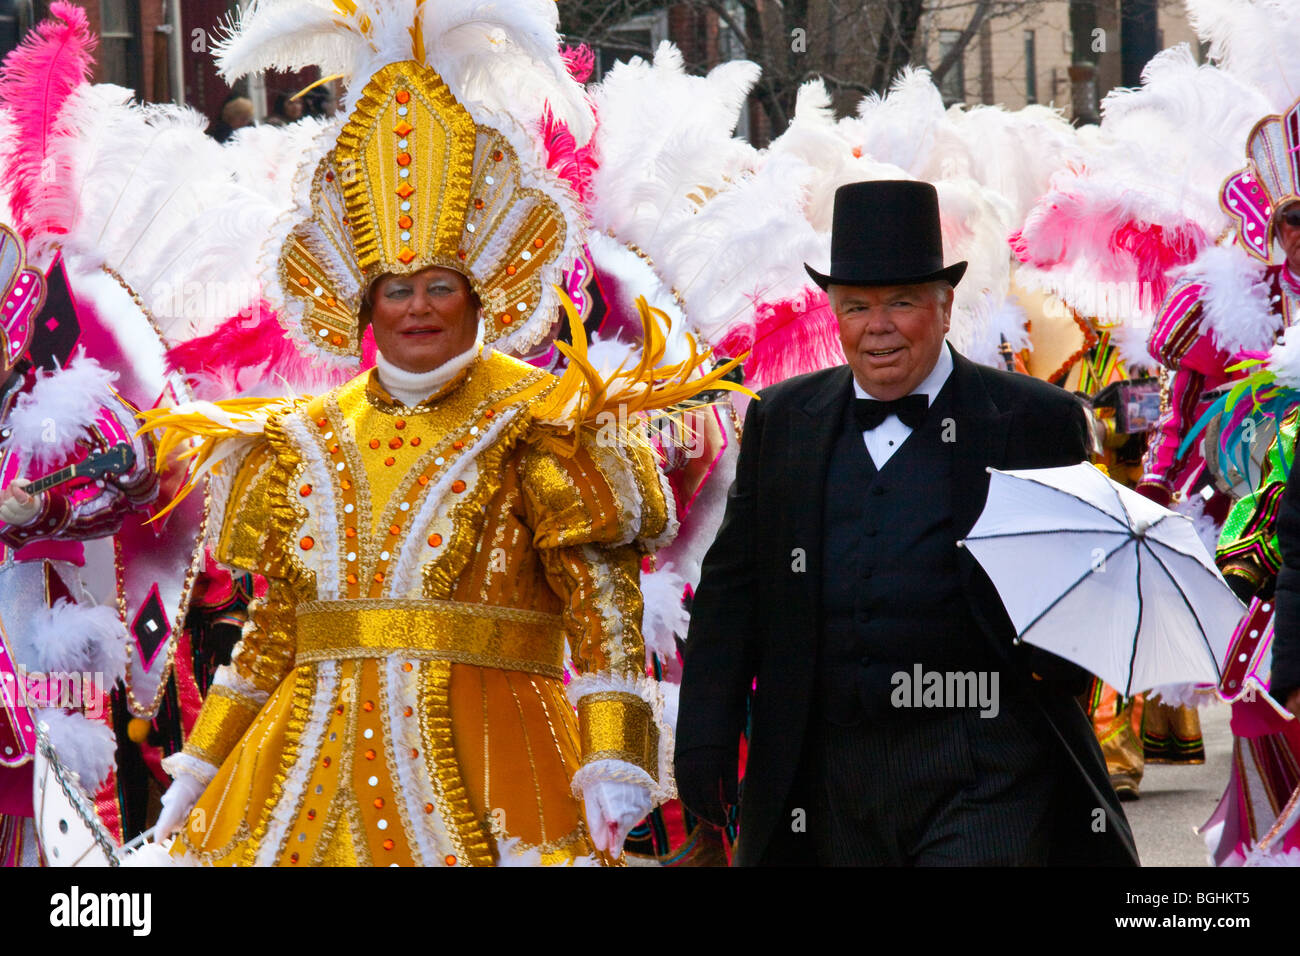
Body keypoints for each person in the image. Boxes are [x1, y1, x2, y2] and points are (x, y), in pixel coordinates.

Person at [142, 26, 743, 863]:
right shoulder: (305, 435)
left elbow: (602, 607)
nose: (418, 308)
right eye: (397, 290)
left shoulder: (549, 419)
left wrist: (615, 751)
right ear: (365, 306)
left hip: (495, 765)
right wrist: (204, 758)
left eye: (439, 288)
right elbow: (277, 626)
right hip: (301, 773)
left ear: (478, 298)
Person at [674, 180, 1138, 866]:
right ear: (833, 313)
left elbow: (1080, 585)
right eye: (856, 306)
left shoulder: (1033, 419)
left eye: (901, 303)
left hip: (985, 766)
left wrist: (1061, 661)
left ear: (946, 307)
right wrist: (705, 731)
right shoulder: (782, 420)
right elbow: (732, 591)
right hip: (824, 775)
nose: (877, 325)